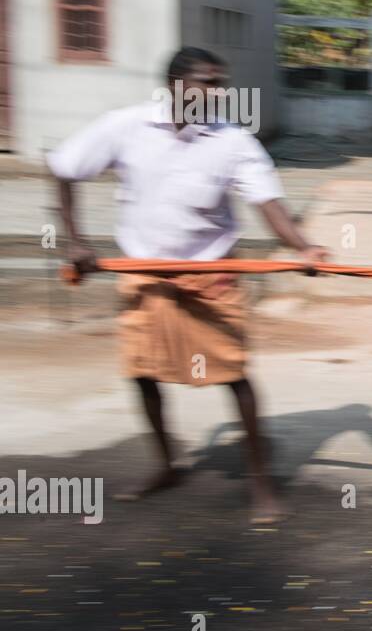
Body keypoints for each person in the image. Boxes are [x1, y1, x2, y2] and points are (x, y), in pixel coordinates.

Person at [48, 47, 329, 522]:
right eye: (208, 83)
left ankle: (261, 485)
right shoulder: (126, 125)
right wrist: (75, 243)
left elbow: (269, 204)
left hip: (210, 277)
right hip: (143, 276)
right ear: (177, 84)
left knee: (235, 376)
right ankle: (166, 466)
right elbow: (63, 166)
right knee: (142, 372)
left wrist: (304, 246)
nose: (218, 93)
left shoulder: (233, 141)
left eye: (221, 84)